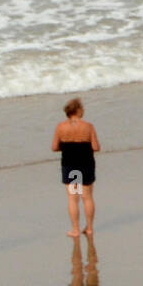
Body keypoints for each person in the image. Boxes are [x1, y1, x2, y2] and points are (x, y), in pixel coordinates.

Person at [52, 97, 100, 237]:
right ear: (78, 110)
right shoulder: (88, 126)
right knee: (87, 197)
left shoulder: (61, 127)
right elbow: (96, 147)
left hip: (70, 164)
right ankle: (89, 228)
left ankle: (75, 229)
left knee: (73, 197)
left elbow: (54, 147)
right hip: (86, 163)